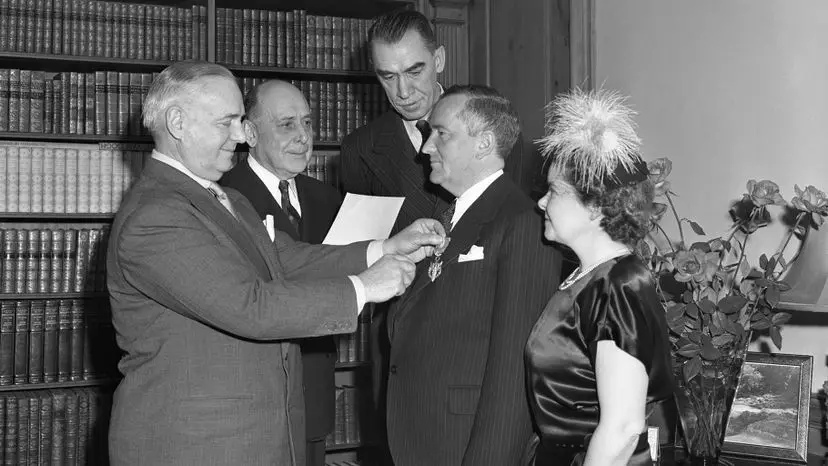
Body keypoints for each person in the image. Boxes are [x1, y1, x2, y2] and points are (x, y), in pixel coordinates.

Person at [106, 60, 445, 466]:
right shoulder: (156, 215)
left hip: (253, 437)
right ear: (178, 123)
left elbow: (284, 257)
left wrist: (382, 249)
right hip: (197, 444)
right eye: (227, 122)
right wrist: (364, 288)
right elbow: (249, 306)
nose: (239, 135)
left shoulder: (217, 196)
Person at [384, 84, 562, 466]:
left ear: (483, 144)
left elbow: (515, 368)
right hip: (421, 438)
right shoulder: (445, 216)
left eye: (441, 134)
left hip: (466, 446)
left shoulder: (522, 222)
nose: (425, 147)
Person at [524, 88, 675, 465]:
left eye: (555, 192)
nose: (541, 202)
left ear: (595, 207)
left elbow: (623, 428)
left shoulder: (619, 287)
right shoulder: (592, 278)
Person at [219, 80, 340, 466]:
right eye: (287, 125)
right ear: (249, 133)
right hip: (252, 397)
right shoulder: (220, 197)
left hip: (314, 390)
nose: (304, 137)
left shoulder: (329, 198)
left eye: (307, 123)